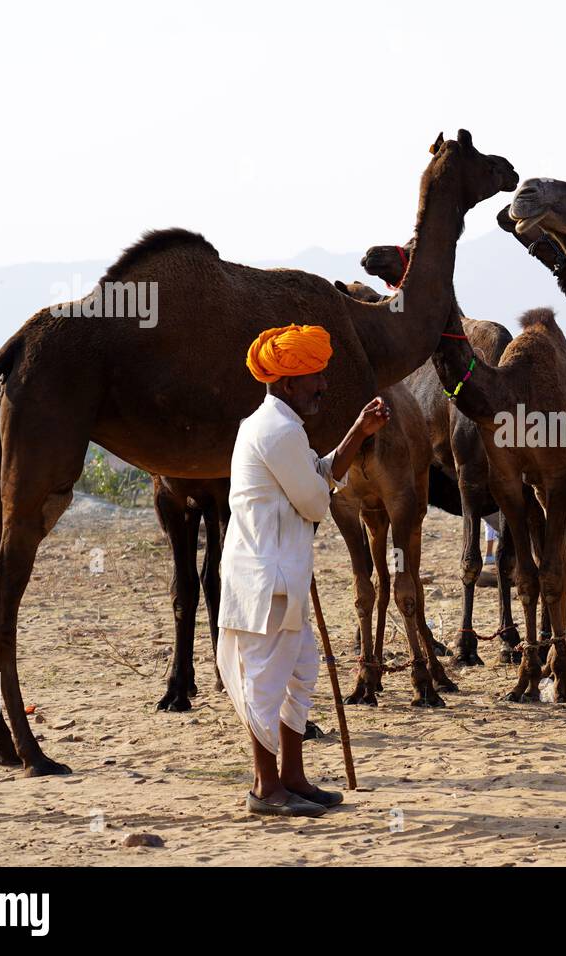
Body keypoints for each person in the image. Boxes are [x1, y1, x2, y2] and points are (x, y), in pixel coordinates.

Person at [217, 324, 391, 818]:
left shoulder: (282, 428)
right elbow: (316, 501)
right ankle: (265, 788)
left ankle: (292, 777)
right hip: (266, 579)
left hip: (281, 576)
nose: (323, 386)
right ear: (288, 383)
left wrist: (358, 431)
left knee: (300, 672)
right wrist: (325, 483)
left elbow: (318, 478)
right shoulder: (277, 430)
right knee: (266, 684)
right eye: (315, 376)